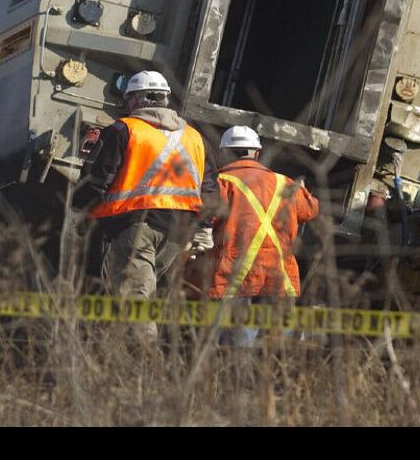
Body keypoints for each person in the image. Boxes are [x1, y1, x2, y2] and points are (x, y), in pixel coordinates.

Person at [72, 70, 217, 300]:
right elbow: (209, 188)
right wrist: (205, 227)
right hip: (177, 233)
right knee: (138, 292)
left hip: (136, 226)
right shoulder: (195, 138)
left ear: (135, 99)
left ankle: (141, 338)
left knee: (134, 298)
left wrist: (80, 210)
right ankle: (120, 336)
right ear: (165, 99)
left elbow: (97, 179)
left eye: (128, 99)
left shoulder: (124, 130)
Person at [207, 126, 318, 346]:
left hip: (234, 271)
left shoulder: (221, 182)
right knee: (276, 345)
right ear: (257, 153)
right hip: (278, 273)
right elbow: (310, 210)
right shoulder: (284, 183)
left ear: (225, 152)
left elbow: (207, 219)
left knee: (231, 340)